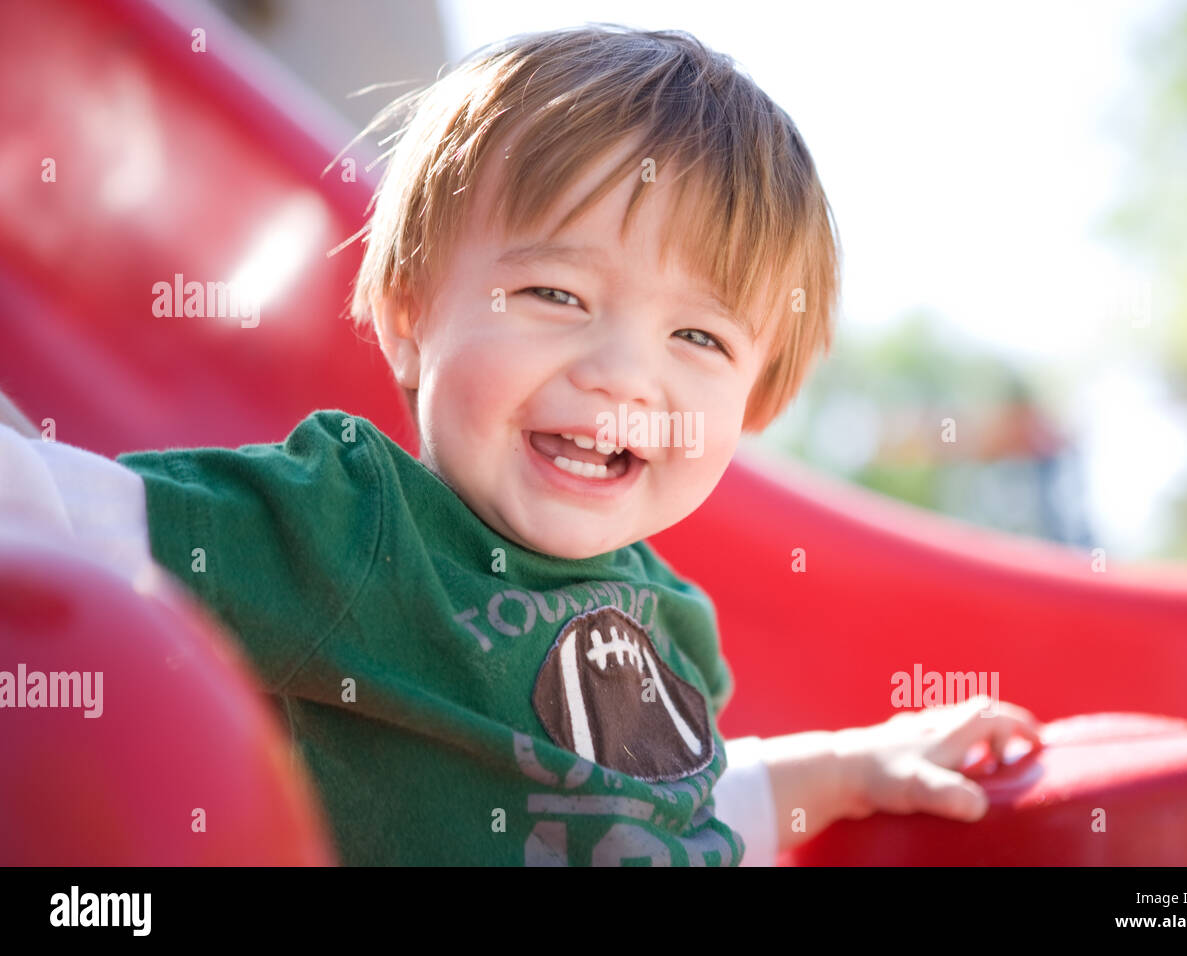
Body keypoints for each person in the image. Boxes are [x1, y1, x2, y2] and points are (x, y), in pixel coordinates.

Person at [0, 24, 1039, 865]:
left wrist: (847, 765)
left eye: (698, 337)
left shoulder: (676, 629)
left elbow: (659, 812)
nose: (625, 373)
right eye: (555, 293)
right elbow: (59, 508)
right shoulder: (355, 530)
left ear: (754, 399)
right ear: (410, 315)